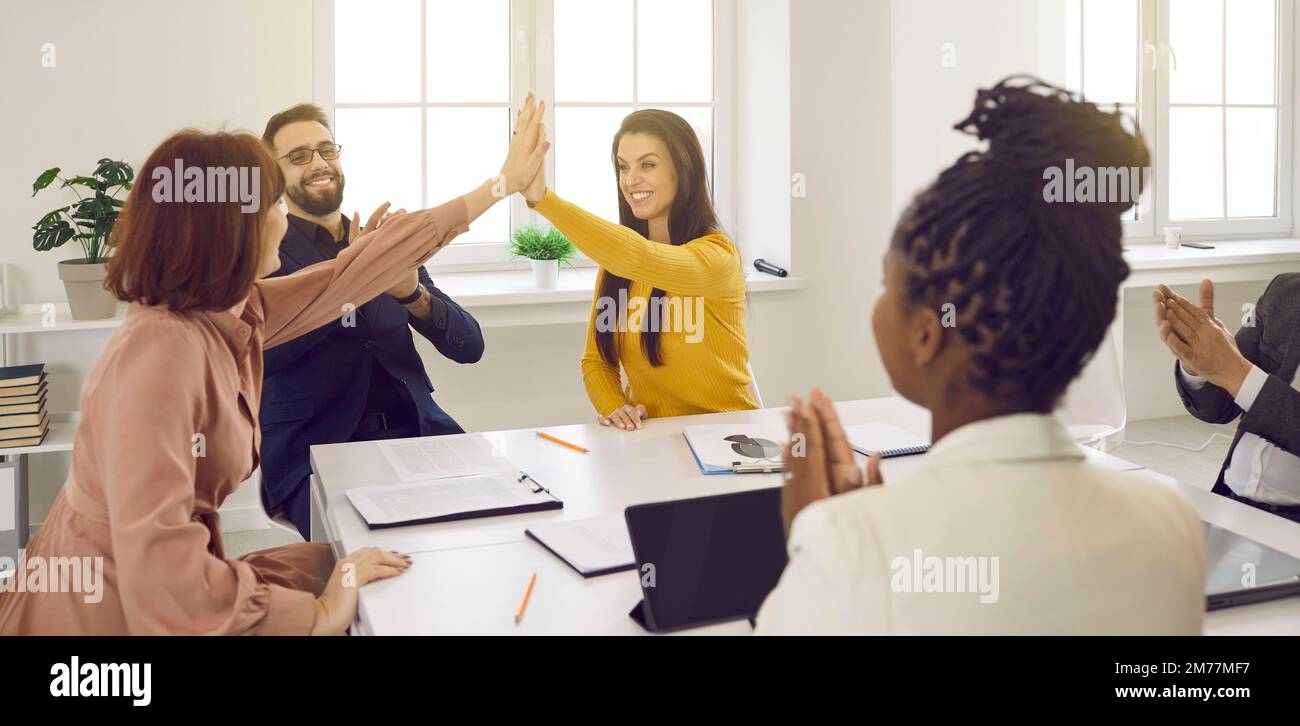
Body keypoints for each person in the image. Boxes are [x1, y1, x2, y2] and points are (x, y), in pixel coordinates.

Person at [0, 97, 548, 635]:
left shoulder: (236, 308)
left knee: (346, 563)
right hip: (102, 620)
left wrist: (499, 185)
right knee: (347, 580)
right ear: (229, 226)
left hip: (160, 585)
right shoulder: (160, 355)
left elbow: (354, 274)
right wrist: (318, 613)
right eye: (272, 206)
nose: (281, 220)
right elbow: (164, 578)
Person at [756, 77, 1205, 635]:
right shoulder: (1172, 524)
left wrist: (817, 540)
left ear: (927, 333)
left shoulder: (849, 547)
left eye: (885, 282)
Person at [259, 104, 486, 539]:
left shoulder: (386, 242)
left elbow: (471, 347)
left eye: (327, 150)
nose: (319, 163)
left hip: (418, 435)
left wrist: (410, 294)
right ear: (274, 175)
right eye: (300, 156)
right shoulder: (264, 251)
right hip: (316, 451)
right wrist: (352, 283)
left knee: (493, 524)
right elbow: (260, 358)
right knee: (376, 558)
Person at [521, 109, 757, 431]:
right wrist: (615, 407)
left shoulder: (717, 257)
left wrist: (543, 199)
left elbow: (641, 257)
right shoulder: (616, 268)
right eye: (623, 166)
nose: (631, 180)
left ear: (683, 169)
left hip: (728, 440)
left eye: (648, 164)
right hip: (651, 442)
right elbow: (598, 360)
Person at [1154, 275, 1300, 522]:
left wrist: (1232, 371)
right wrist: (1197, 363)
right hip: (1228, 502)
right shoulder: (1284, 292)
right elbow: (1220, 406)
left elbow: (1236, 373)